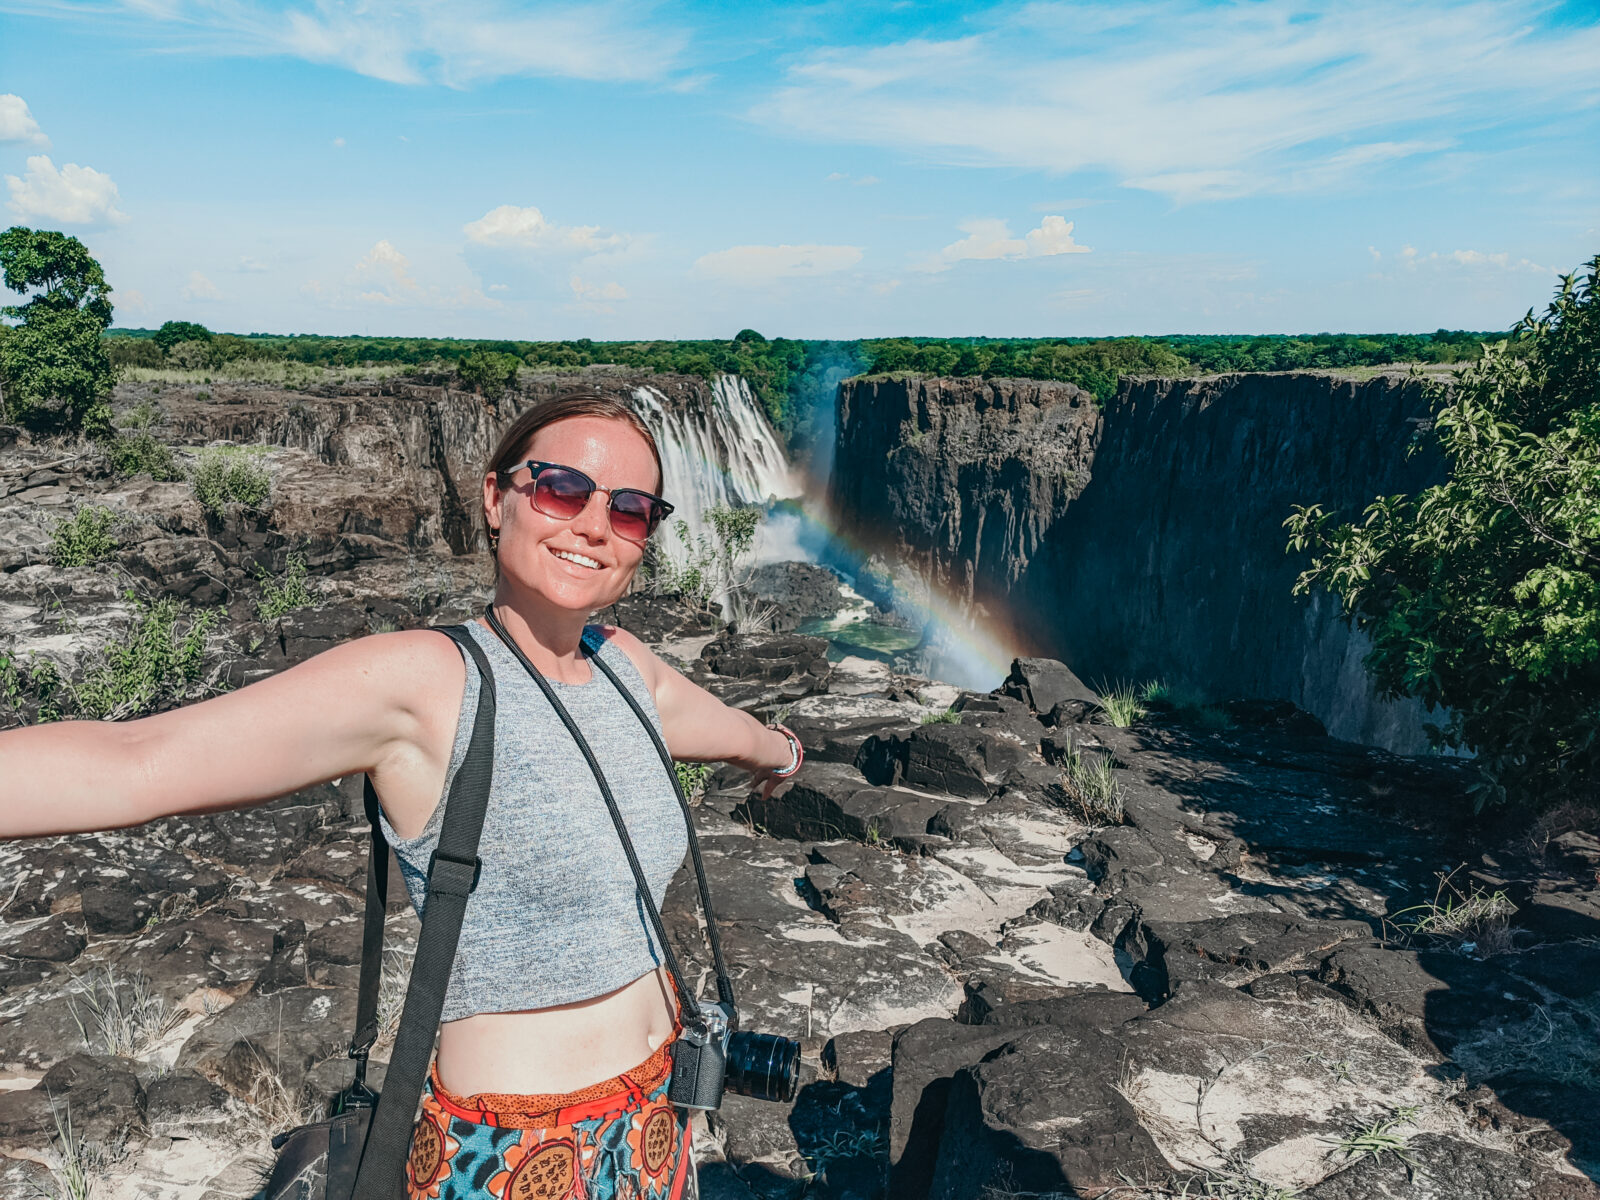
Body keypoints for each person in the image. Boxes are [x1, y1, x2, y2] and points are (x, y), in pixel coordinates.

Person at [0, 392, 803, 1200]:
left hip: (661, 1122)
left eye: (630, 509)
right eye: (562, 488)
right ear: (497, 497)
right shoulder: (427, 682)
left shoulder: (628, 667)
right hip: (515, 1152)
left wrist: (786, 754)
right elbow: (139, 760)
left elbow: (732, 731)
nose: (594, 524)